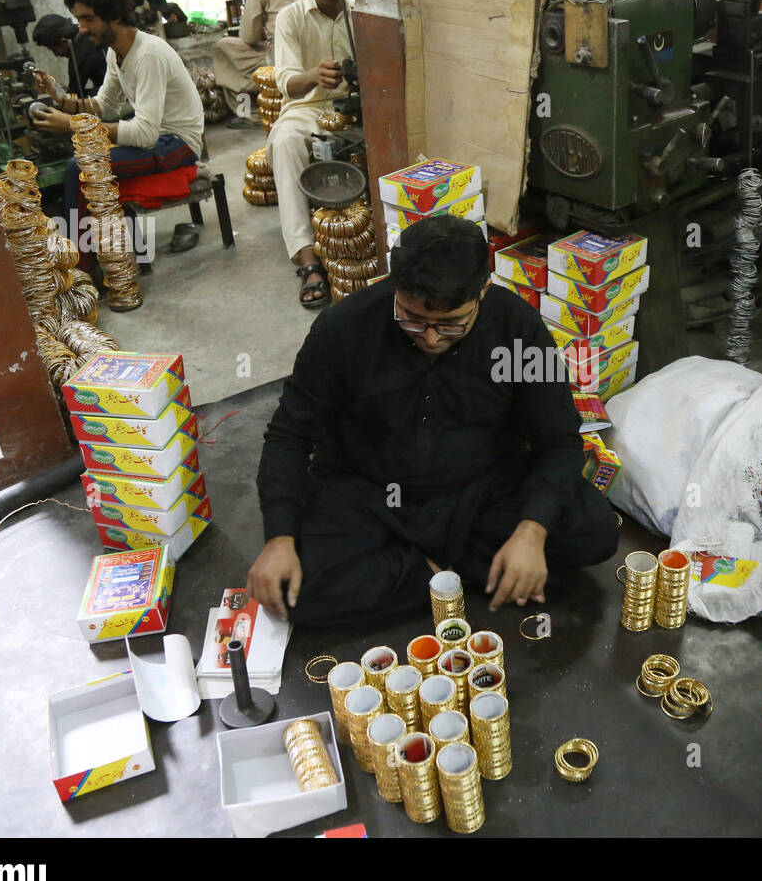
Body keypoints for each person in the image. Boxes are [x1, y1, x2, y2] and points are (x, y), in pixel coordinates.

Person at [248, 216, 621, 627]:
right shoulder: (343, 328)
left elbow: (560, 441)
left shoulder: (520, 330)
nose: (430, 339)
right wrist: (279, 538)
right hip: (370, 494)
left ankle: (418, 574)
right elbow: (289, 435)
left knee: (595, 530)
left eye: (452, 324)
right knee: (288, 590)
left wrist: (531, 532)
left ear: (483, 289)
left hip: (479, 492)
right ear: (395, 285)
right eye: (411, 318)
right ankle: (446, 574)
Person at [32, 0, 205, 269]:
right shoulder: (116, 51)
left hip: (178, 144)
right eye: (79, 20)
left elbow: (145, 134)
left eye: (88, 19)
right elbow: (103, 105)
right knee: (81, 161)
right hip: (158, 139)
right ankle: (90, 257)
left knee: (80, 167)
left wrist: (72, 124)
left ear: (114, 16)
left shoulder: (147, 55)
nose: (82, 29)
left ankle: (83, 270)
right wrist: (60, 100)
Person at [267, 0, 354, 308]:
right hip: (307, 111)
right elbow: (287, 83)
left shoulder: (358, 12)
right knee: (284, 142)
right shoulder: (291, 18)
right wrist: (314, 75)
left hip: (351, 110)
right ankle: (307, 261)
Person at [32, 13, 107, 96]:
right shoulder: (85, 35)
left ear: (64, 41)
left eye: (54, 50)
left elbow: (74, 95)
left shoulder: (78, 58)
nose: (56, 55)